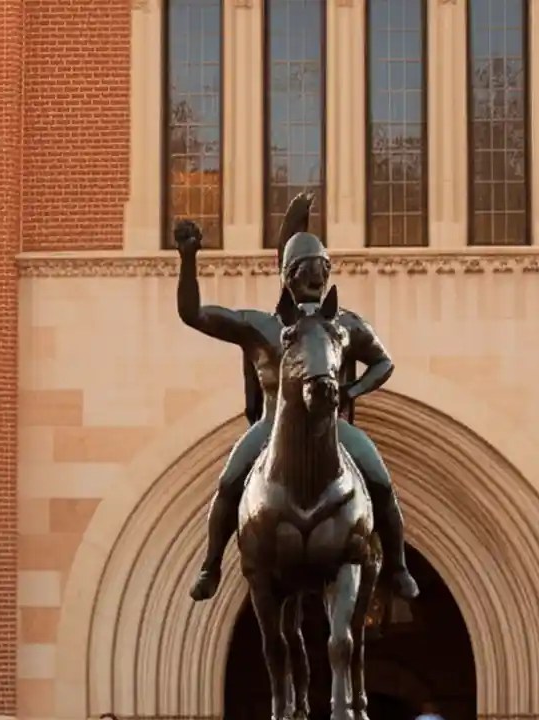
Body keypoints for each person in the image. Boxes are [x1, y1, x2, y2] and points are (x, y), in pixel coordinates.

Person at [176, 195, 418, 603]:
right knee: (229, 481)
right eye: (306, 270)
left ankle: (396, 565)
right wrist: (188, 260)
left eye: (322, 270)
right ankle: (210, 564)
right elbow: (194, 314)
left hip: (332, 428)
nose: (315, 278)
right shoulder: (261, 327)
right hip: (272, 426)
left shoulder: (344, 326)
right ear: (288, 276)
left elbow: (383, 363)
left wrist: (350, 391)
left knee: (379, 481)